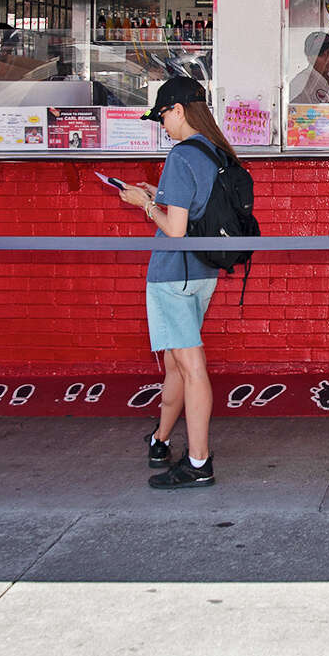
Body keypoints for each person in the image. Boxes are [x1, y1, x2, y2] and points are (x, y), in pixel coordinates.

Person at [117, 76, 233, 490]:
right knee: (176, 364)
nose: (162, 124)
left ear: (179, 111)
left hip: (173, 274)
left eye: (163, 115)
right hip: (203, 273)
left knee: (191, 366)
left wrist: (145, 203)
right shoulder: (215, 151)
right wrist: (160, 195)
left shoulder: (182, 155)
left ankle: (199, 461)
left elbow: (177, 230)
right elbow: (195, 210)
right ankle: (161, 440)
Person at [288, 31, 329, 104]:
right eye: (321, 54)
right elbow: (288, 110)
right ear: (310, 58)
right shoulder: (302, 80)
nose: (328, 58)